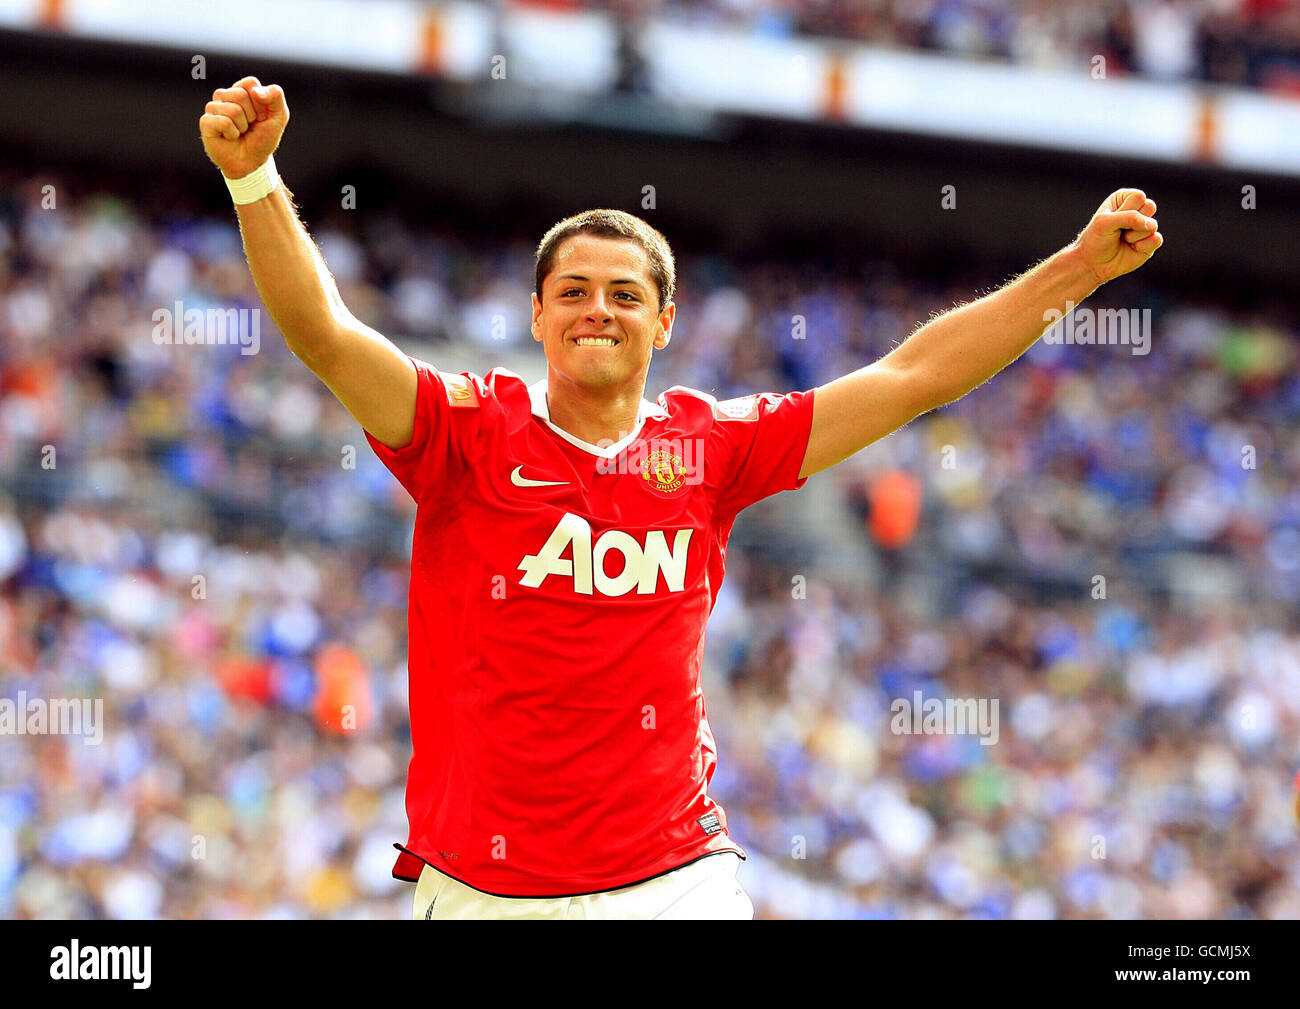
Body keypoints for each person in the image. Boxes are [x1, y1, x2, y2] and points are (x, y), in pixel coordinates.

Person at [199, 75, 1162, 919]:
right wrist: (255, 180)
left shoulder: (712, 447)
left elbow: (914, 376)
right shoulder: (465, 431)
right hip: (484, 884)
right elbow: (325, 334)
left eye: (624, 293)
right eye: (572, 290)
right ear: (536, 315)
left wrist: (1079, 267)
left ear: (665, 321)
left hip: (672, 877)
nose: (596, 309)